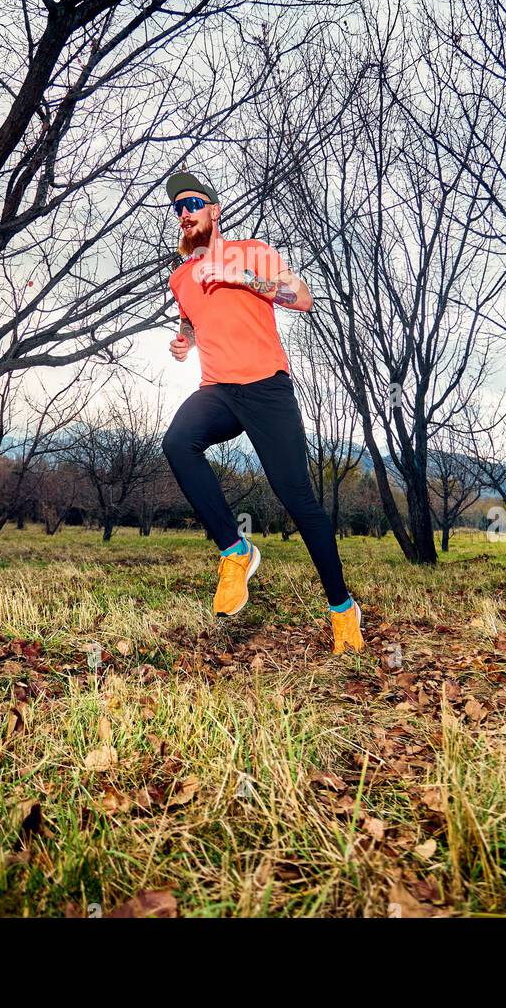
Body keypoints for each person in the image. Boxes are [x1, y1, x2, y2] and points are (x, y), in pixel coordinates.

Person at [161, 170, 363, 654]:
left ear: (214, 210)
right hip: (219, 391)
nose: (185, 213)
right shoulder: (180, 277)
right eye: (177, 208)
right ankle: (236, 551)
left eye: (193, 203)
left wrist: (243, 278)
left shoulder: (253, 252)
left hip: (267, 389)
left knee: (299, 502)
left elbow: (304, 299)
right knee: (177, 443)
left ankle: (342, 610)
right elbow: (192, 316)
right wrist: (185, 339)